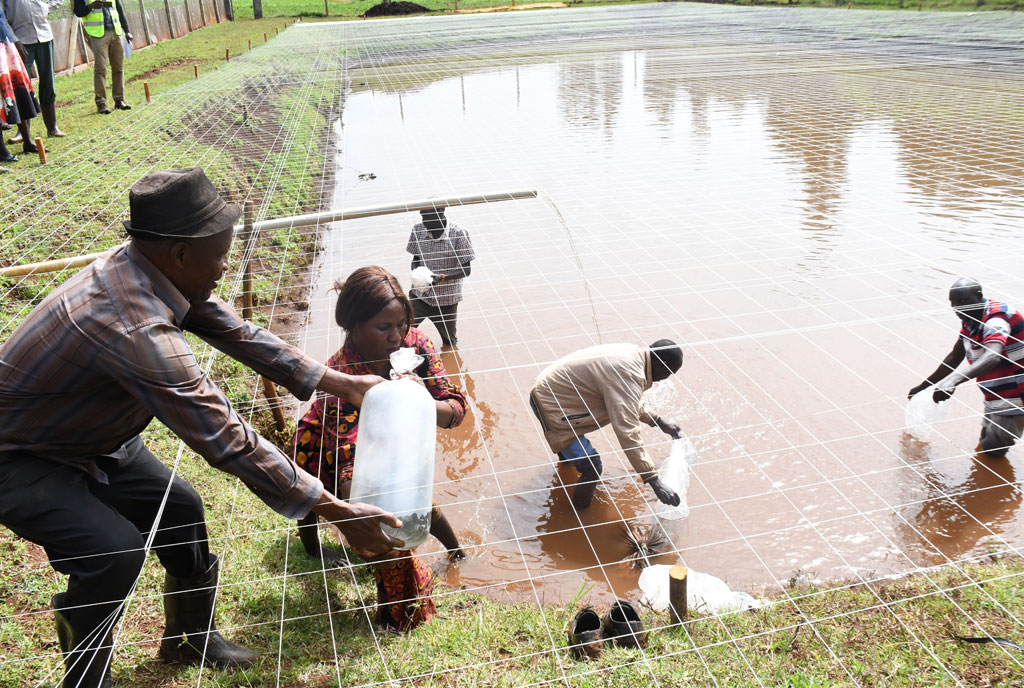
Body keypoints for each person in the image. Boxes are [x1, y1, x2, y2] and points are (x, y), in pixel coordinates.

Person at [0, 168, 401, 688]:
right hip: (21, 455)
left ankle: (191, 640)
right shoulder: (132, 324)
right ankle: (84, 679)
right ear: (181, 254)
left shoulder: (148, 270)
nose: (227, 263)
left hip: (92, 437)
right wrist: (335, 510)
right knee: (112, 550)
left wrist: (342, 384)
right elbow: (225, 436)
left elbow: (238, 331)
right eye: (220, 253)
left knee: (182, 510)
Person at [294, 265, 468, 632]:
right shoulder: (340, 375)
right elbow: (348, 464)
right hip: (333, 439)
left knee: (412, 499)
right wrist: (360, 514)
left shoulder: (416, 347)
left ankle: (456, 553)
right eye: (383, 327)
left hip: (395, 439)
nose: (397, 336)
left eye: (402, 323)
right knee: (338, 498)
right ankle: (316, 552)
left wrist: (418, 397)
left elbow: (456, 410)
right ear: (353, 326)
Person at [530, 340, 686, 510]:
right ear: (660, 364)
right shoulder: (628, 374)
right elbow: (628, 432)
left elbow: (627, 400)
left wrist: (658, 421)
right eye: (670, 372)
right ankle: (578, 516)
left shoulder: (634, 355)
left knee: (573, 457)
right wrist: (654, 480)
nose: (666, 378)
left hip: (552, 389)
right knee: (592, 466)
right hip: (552, 404)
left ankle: (567, 469)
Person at [909, 278, 1024, 458]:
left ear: (979, 296)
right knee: (986, 438)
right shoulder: (971, 319)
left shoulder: (996, 320)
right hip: (997, 392)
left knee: (993, 449)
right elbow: (955, 356)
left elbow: (992, 356)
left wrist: (953, 381)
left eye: (963, 302)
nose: (958, 308)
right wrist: (923, 386)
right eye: (954, 303)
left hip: (1017, 395)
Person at [407, 205, 475, 348]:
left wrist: (442, 277)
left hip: (447, 300)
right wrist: (416, 273)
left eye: (427, 217)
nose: (424, 221)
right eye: (422, 216)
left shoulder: (458, 234)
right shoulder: (418, 230)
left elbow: (466, 269)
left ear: (441, 212)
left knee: (449, 343)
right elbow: (416, 259)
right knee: (403, 332)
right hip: (420, 296)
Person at [2, 0, 66, 140]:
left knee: (48, 83)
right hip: (21, 40)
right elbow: (1, 15)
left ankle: (52, 127)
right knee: (20, 87)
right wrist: (14, 39)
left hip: (44, 36)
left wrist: (46, 8)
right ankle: (23, 133)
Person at [72, 0, 131, 114]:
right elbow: (78, 12)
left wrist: (127, 30)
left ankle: (119, 100)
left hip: (115, 32)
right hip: (98, 35)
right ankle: (101, 104)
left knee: (118, 68)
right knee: (101, 69)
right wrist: (90, 7)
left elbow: (119, 10)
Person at [0, 1, 39, 161]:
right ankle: (2, 152)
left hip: (5, 43)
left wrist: (13, 41)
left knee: (18, 92)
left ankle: (27, 141)